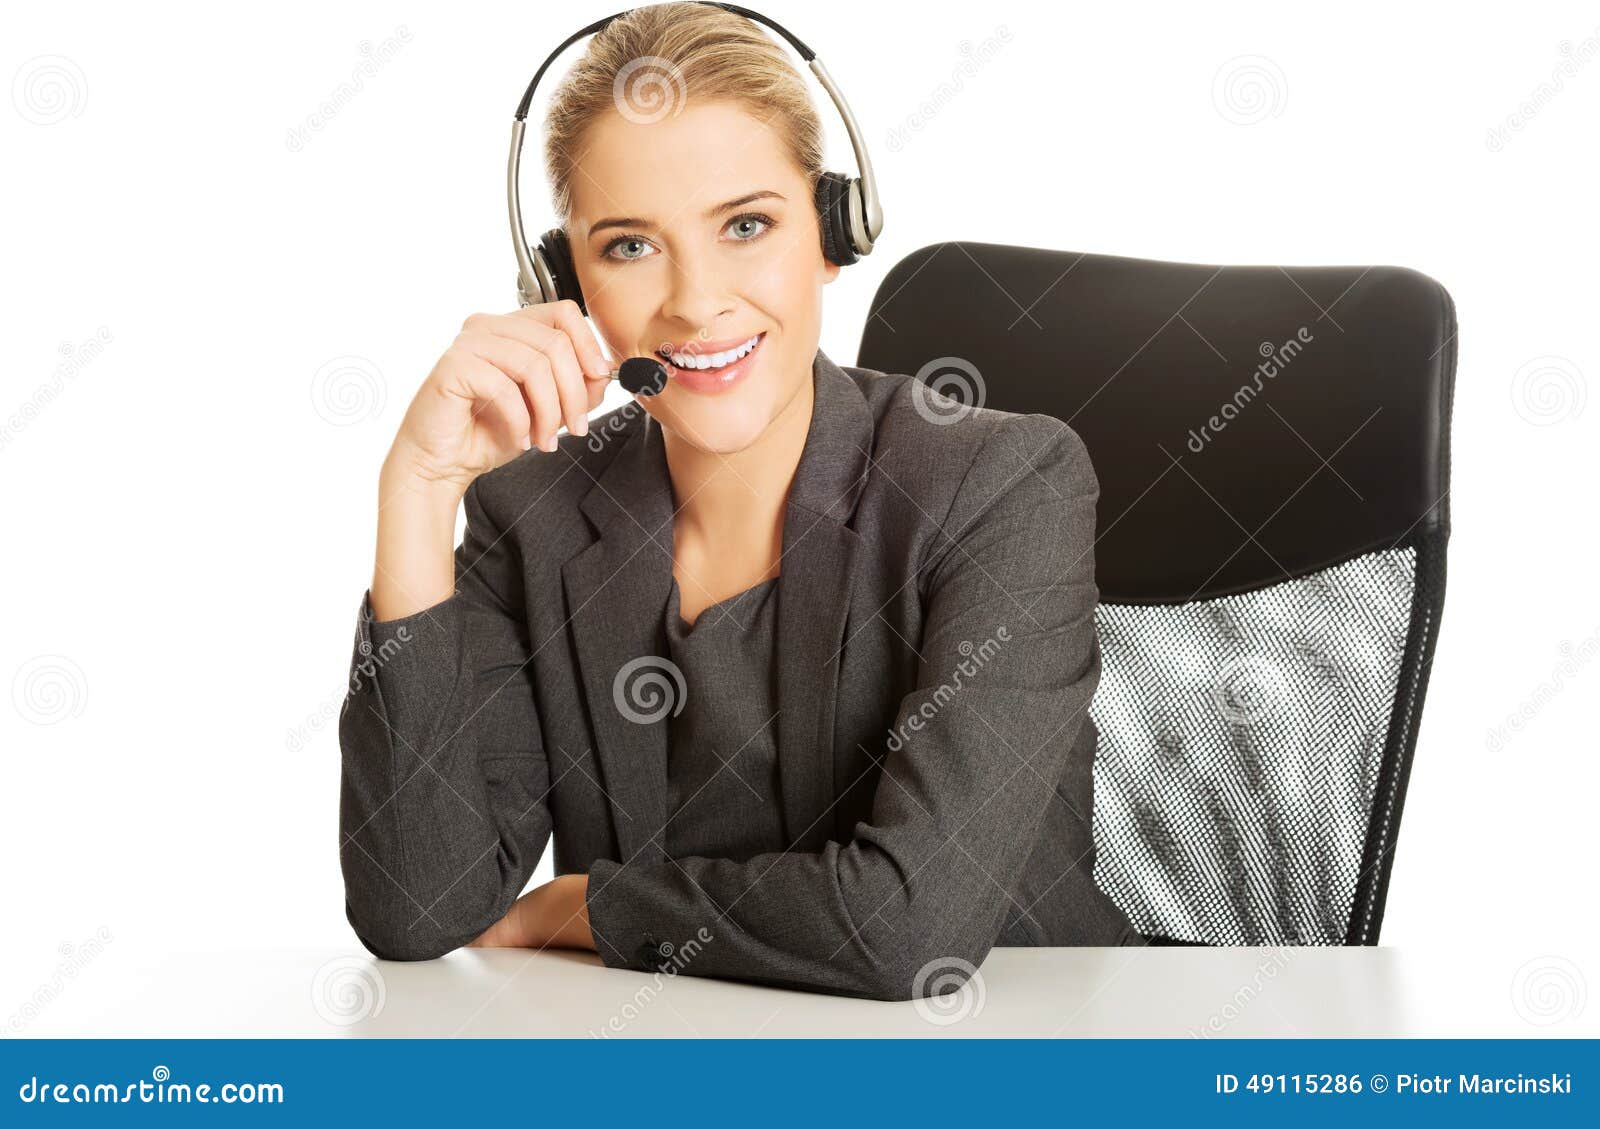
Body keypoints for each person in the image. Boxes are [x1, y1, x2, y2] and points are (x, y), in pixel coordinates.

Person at [339, 1, 1142, 1004]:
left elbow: (905, 930)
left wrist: (584, 907)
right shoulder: (533, 512)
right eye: (630, 246)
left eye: (747, 225)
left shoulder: (1002, 486)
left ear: (833, 232)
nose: (695, 299)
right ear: (563, 280)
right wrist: (416, 493)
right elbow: (419, 907)